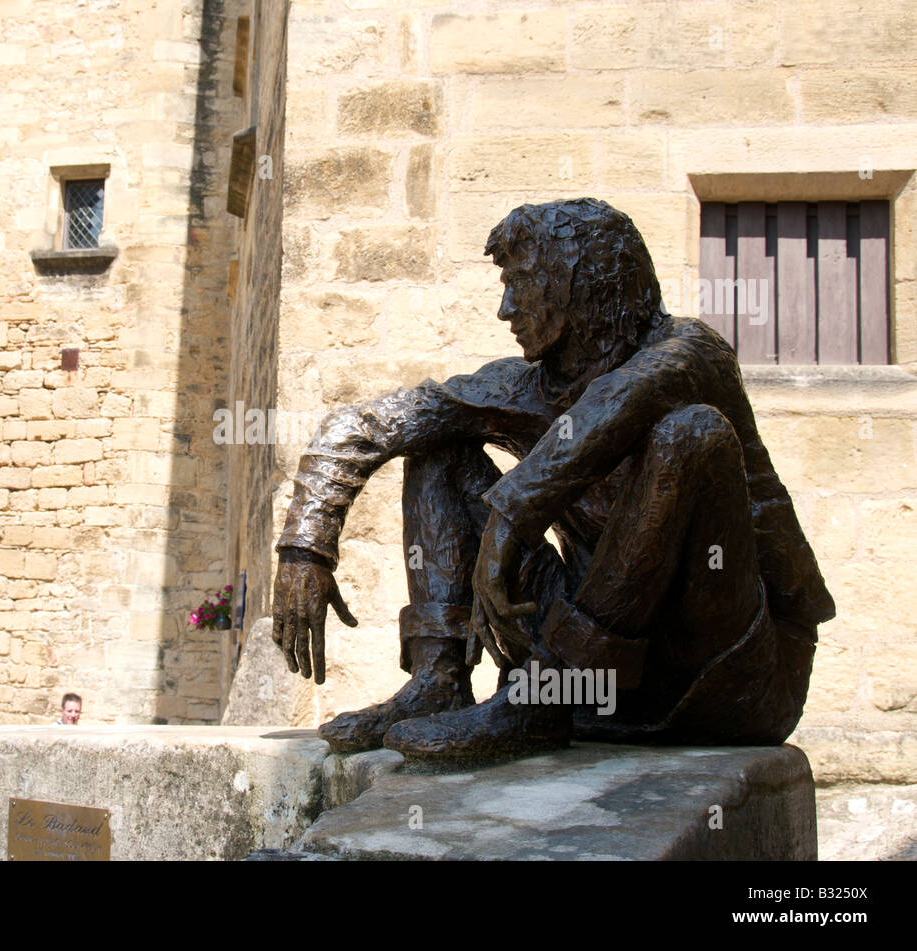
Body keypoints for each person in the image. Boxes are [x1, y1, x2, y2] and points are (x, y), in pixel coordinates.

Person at [272, 198, 835, 759]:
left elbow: (616, 401)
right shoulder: (519, 387)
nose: (505, 309)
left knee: (690, 433)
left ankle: (542, 702)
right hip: (604, 683)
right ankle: (437, 680)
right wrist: (305, 547)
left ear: (575, 283)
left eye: (521, 282)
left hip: (730, 675)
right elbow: (366, 425)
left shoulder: (691, 353)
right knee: (439, 443)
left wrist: (512, 516)